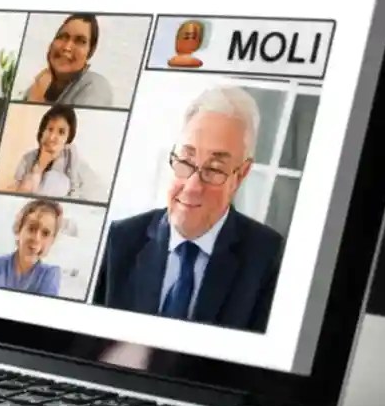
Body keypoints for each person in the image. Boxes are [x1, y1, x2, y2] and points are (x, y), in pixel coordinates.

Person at [91, 86, 284, 333]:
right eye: (185, 161)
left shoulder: (269, 258)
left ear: (241, 174)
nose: (192, 187)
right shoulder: (118, 239)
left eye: (214, 169)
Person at [8, 104, 101, 200]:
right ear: (42, 131)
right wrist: (39, 166)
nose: (52, 137)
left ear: (68, 138)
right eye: (50, 129)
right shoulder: (27, 159)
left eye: (61, 132)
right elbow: (17, 197)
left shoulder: (76, 164)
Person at [0, 199, 64, 296]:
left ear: (52, 240)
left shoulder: (50, 275)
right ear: (19, 229)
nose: (36, 238)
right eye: (31, 229)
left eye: (45, 233)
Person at [23, 13, 113, 106]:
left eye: (80, 41)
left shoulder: (96, 86)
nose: (66, 47)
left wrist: (36, 99)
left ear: (90, 52)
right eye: (62, 37)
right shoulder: (39, 85)